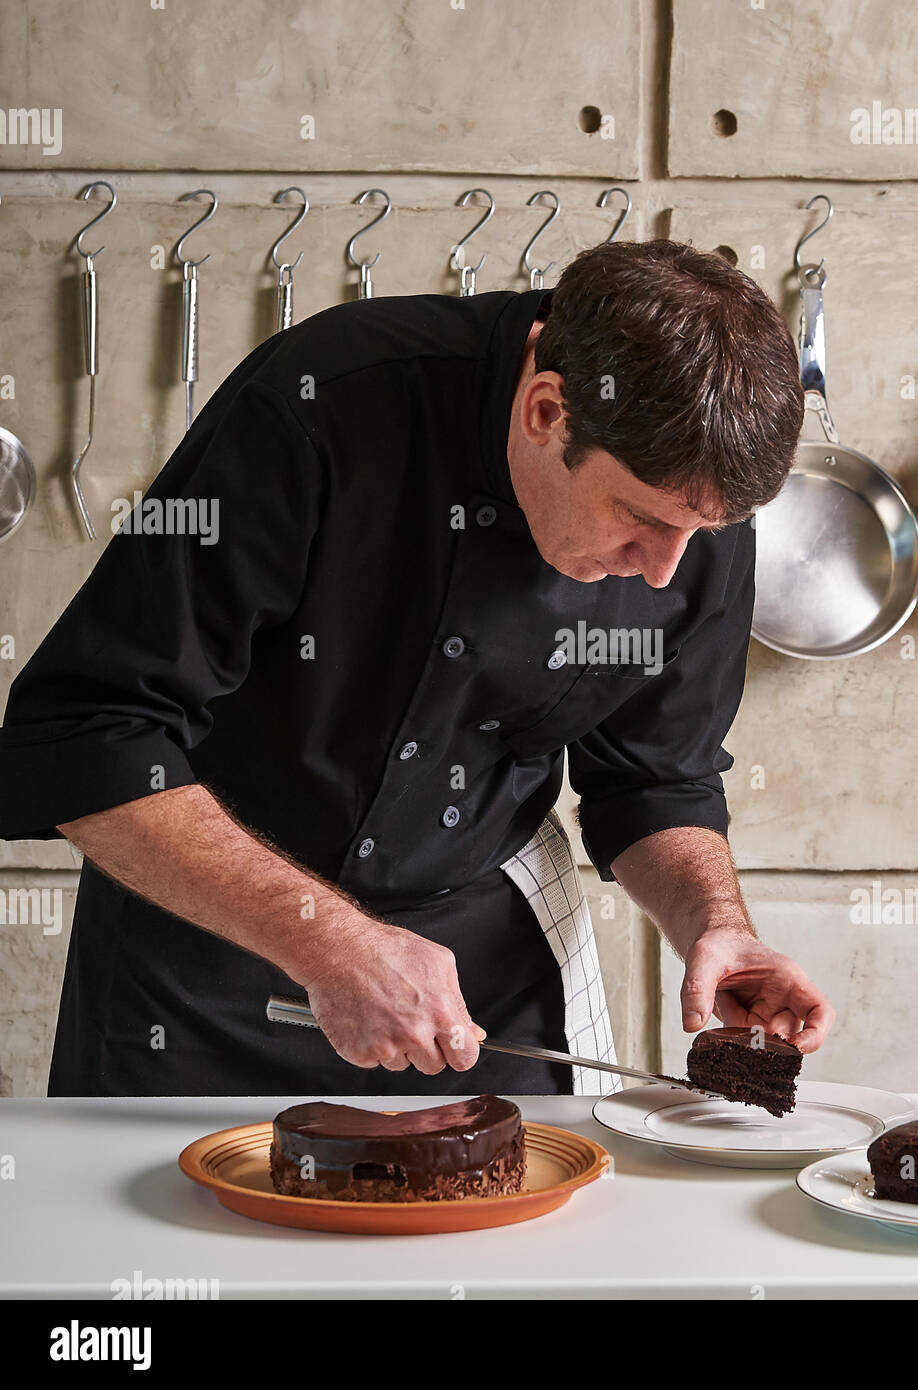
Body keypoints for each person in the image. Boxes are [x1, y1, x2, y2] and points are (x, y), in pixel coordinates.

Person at [0, 238, 835, 1097]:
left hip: (481, 997)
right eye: (637, 520)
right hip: (202, 971)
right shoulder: (320, 404)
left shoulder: (691, 508)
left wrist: (715, 923)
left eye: (700, 536)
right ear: (546, 411)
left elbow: (655, 778)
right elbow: (90, 731)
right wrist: (329, 941)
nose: (666, 570)